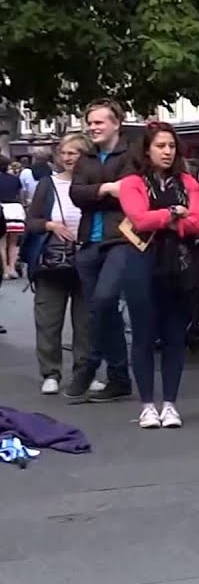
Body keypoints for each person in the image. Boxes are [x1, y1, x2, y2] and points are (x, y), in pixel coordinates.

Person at [117, 122, 199, 428]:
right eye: (160, 146)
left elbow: (198, 224)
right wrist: (173, 214)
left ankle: (170, 404)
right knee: (142, 335)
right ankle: (147, 406)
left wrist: (173, 221)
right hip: (143, 263)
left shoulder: (188, 181)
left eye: (171, 146)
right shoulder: (132, 182)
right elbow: (139, 220)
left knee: (174, 337)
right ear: (146, 149)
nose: (167, 152)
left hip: (179, 265)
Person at [24, 134, 102, 396]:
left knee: (86, 321)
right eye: (65, 153)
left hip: (87, 257)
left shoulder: (95, 185)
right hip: (53, 262)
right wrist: (51, 225)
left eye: (75, 153)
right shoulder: (48, 185)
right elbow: (31, 221)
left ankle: (84, 372)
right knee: (48, 319)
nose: (68, 158)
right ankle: (50, 372)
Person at [69, 99, 135, 402]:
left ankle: (90, 362)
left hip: (119, 238)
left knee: (105, 298)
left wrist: (96, 192)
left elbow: (131, 192)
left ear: (116, 124)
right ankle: (119, 377)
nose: (93, 128)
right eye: (90, 123)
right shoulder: (86, 158)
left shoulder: (130, 154)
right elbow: (76, 194)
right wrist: (107, 189)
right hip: (89, 241)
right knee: (100, 309)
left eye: (99, 122)